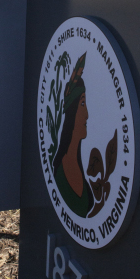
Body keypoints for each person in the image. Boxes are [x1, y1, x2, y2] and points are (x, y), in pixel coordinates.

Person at [53, 53, 94, 217]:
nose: (87, 114)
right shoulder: (60, 171)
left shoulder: (83, 170)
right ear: (71, 111)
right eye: (82, 103)